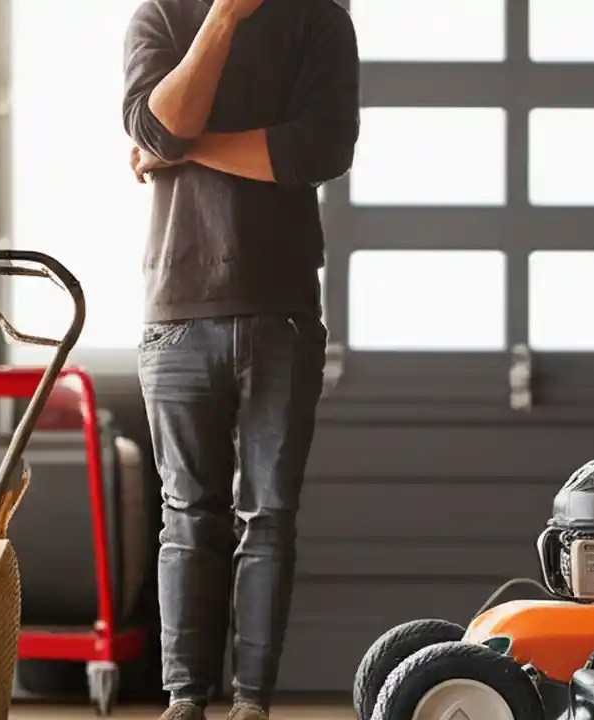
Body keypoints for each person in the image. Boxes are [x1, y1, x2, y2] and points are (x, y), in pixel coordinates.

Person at [121, 0, 360, 718]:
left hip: (281, 311)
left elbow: (317, 152)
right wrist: (223, 16)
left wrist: (188, 148)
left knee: (269, 517)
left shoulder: (320, 18)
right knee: (188, 515)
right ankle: (186, 702)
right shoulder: (160, 14)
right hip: (178, 308)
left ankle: (251, 705)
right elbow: (155, 124)